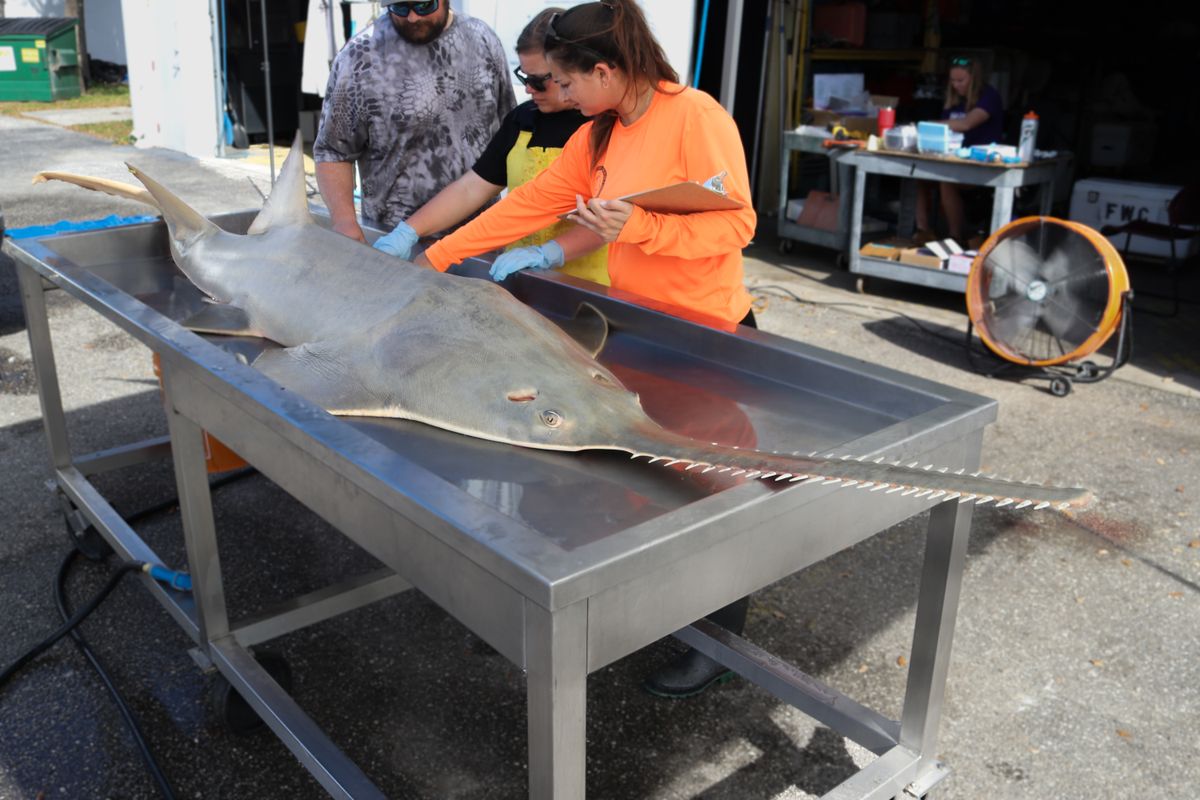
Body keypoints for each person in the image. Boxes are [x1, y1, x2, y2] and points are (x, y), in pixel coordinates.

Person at [414, 0, 757, 697]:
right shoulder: (599, 134)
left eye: (568, 85)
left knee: (711, 494)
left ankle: (719, 642)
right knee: (642, 482)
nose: (560, 98)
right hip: (642, 325)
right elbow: (533, 200)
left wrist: (642, 228)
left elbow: (738, 224)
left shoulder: (695, 117)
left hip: (707, 335)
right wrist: (440, 256)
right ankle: (646, 612)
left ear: (605, 69)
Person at [372, 8, 609, 285]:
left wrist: (548, 253)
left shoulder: (604, 128)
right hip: (518, 277)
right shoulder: (522, 119)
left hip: (587, 289)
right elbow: (472, 188)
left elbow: (609, 221)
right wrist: (409, 231)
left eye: (538, 81)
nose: (529, 90)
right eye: (523, 77)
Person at [313, 1, 516, 243]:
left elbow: (510, 130)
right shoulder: (360, 56)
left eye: (423, 5)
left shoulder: (483, 40)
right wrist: (344, 221)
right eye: (399, 8)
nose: (412, 18)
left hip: (481, 238)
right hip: (396, 243)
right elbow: (333, 151)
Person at [915, 55, 1005, 244]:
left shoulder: (989, 97)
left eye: (961, 81)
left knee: (947, 179)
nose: (956, 85)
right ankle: (922, 231)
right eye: (953, 81)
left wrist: (928, 124)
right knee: (918, 174)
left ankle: (955, 236)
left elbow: (966, 124)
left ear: (974, 79)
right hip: (952, 157)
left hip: (980, 164)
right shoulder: (954, 101)